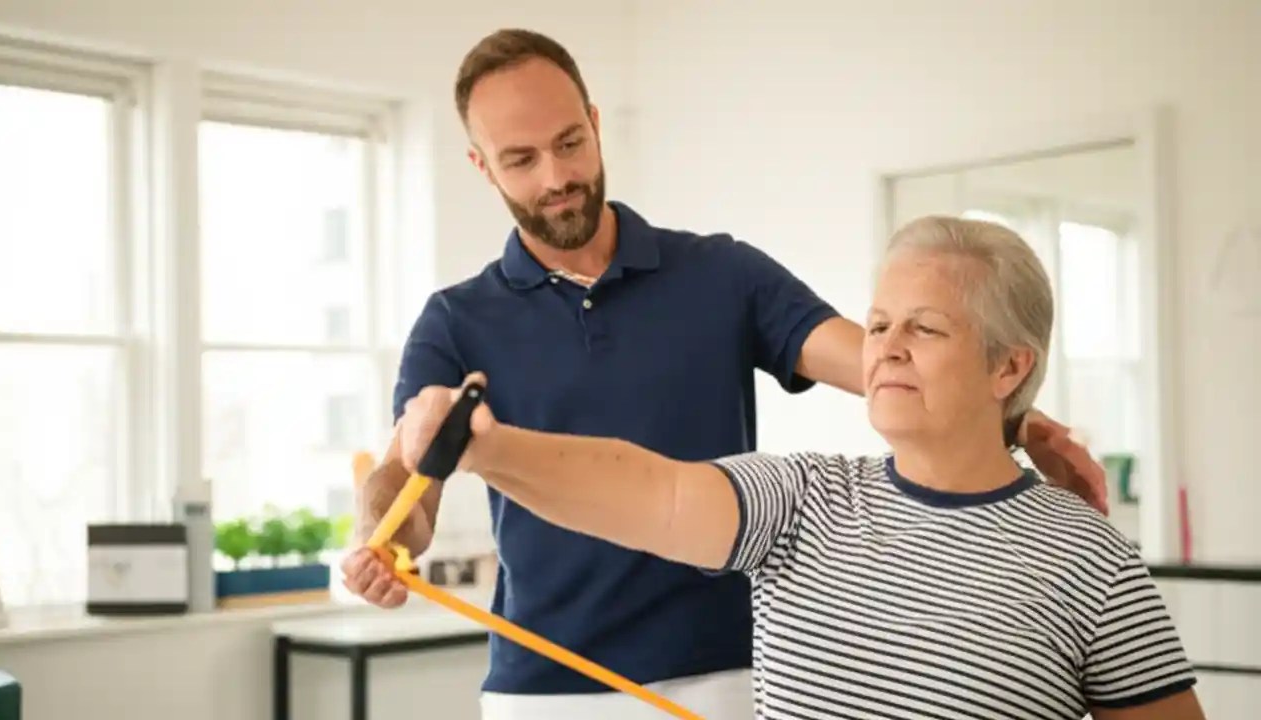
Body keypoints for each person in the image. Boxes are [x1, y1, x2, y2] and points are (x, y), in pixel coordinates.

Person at [340, 28, 1108, 719]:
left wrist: (1023, 420)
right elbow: (410, 475)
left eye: (571, 143)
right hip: (541, 685)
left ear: (597, 125)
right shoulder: (454, 320)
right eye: (521, 159)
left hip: (723, 671)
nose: (556, 176)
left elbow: (879, 360)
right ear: (482, 166)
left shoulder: (721, 273)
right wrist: (381, 541)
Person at [393, 215, 1204, 720]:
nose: (883, 344)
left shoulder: (1089, 559)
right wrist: (490, 449)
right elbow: (645, 487)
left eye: (923, 328)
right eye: (879, 321)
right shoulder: (801, 499)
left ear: (1006, 368)